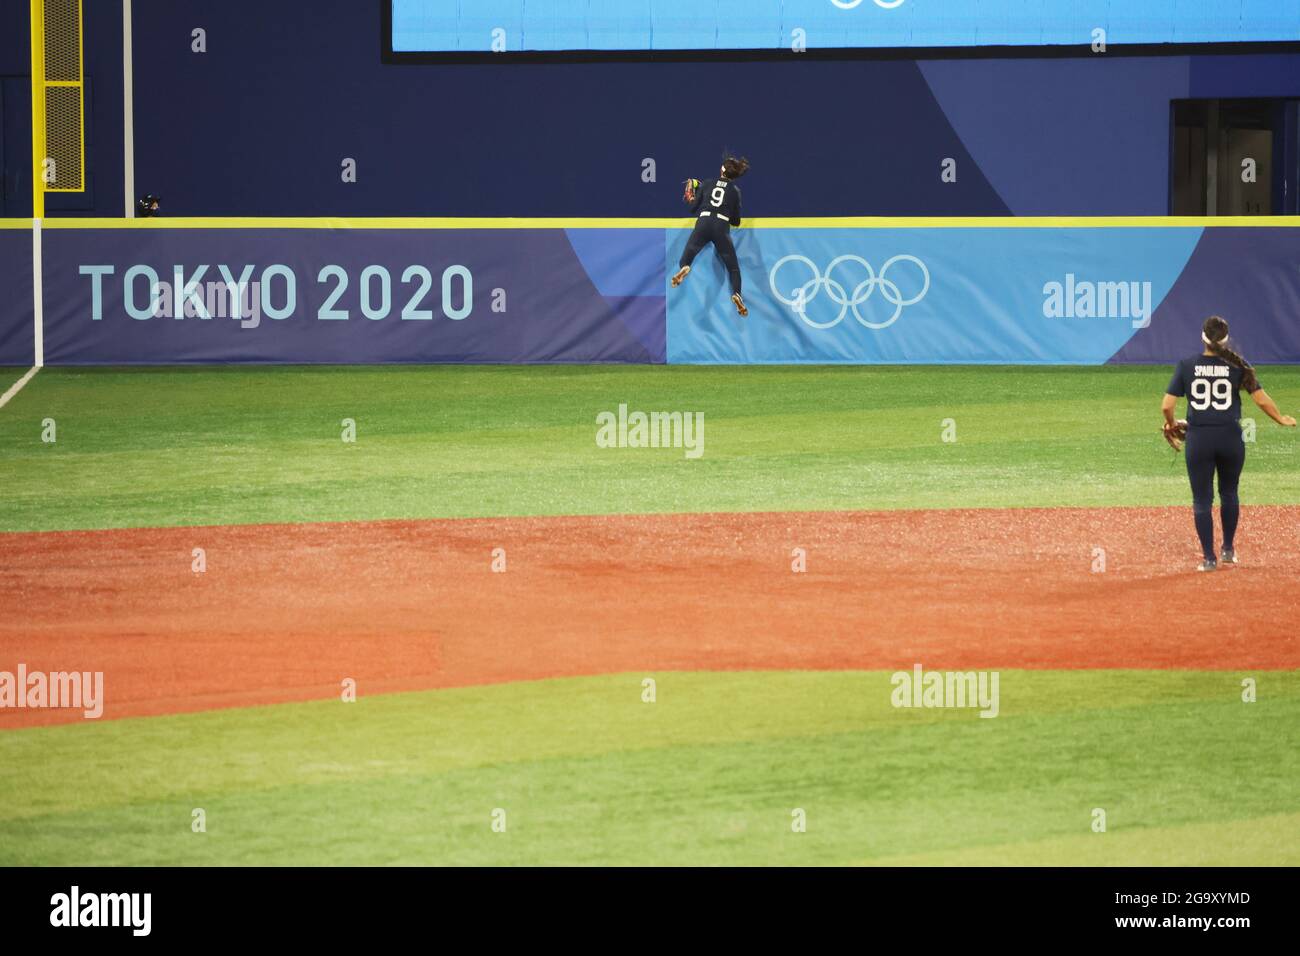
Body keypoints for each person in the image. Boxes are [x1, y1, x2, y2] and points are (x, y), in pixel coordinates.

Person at [1162, 315, 1295, 571]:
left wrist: (1170, 423)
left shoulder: (1187, 365)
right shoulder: (1238, 366)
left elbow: (1167, 405)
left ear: (1203, 337)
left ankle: (1209, 559)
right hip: (1231, 439)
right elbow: (1261, 400)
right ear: (1225, 339)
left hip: (1199, 439)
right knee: (1229, 493)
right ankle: (1228, 550)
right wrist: (1279, 418)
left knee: (1202, 500)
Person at [671, 156, 749, 317]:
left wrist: (692, 196)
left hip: (704, 221)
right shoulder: (735, 191)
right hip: (721, 227)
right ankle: (737, 294)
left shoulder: (707, 183)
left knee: (688, 255)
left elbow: (692, 208)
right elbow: (736, 221)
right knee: (733, 268)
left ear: (722, 169)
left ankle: (685, 266)